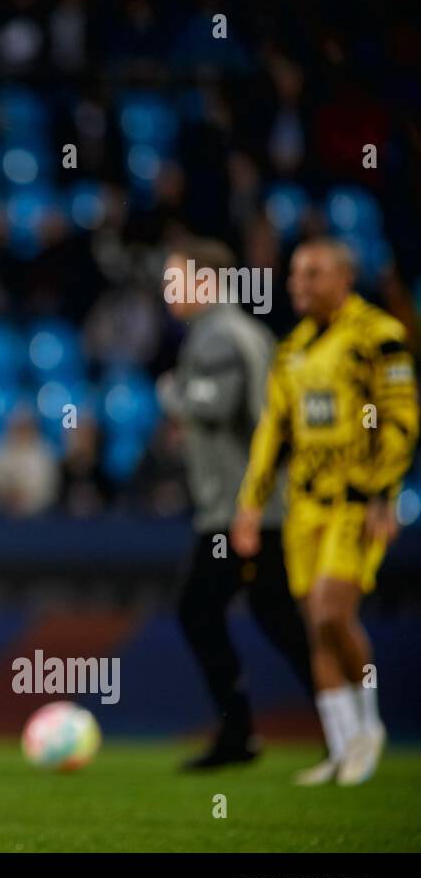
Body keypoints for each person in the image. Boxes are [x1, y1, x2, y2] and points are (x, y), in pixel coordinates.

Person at [232, 237, 417, 786]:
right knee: (315, 627)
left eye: (311, 274)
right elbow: (273, 432)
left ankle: (369, 729)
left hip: (356, 502)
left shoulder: (378, 337)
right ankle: (340, 749)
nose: (298, 285)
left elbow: (402, 418)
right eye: (294, 275)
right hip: (304, 507)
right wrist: (250, 504)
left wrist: (385, 492)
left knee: (333, 612)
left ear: (344, 278)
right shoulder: (290, 350)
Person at [157, 238, 314, 770]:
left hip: (240, 510)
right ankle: (339, 722)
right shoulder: (244, 330)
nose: (167, 293)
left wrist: (171, 394)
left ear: (205, 281)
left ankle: (242, 733)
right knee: (276, 617)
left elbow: (214, 404)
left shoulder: (219, 335)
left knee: (200, 610)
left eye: (174, 281)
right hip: (257, 503)